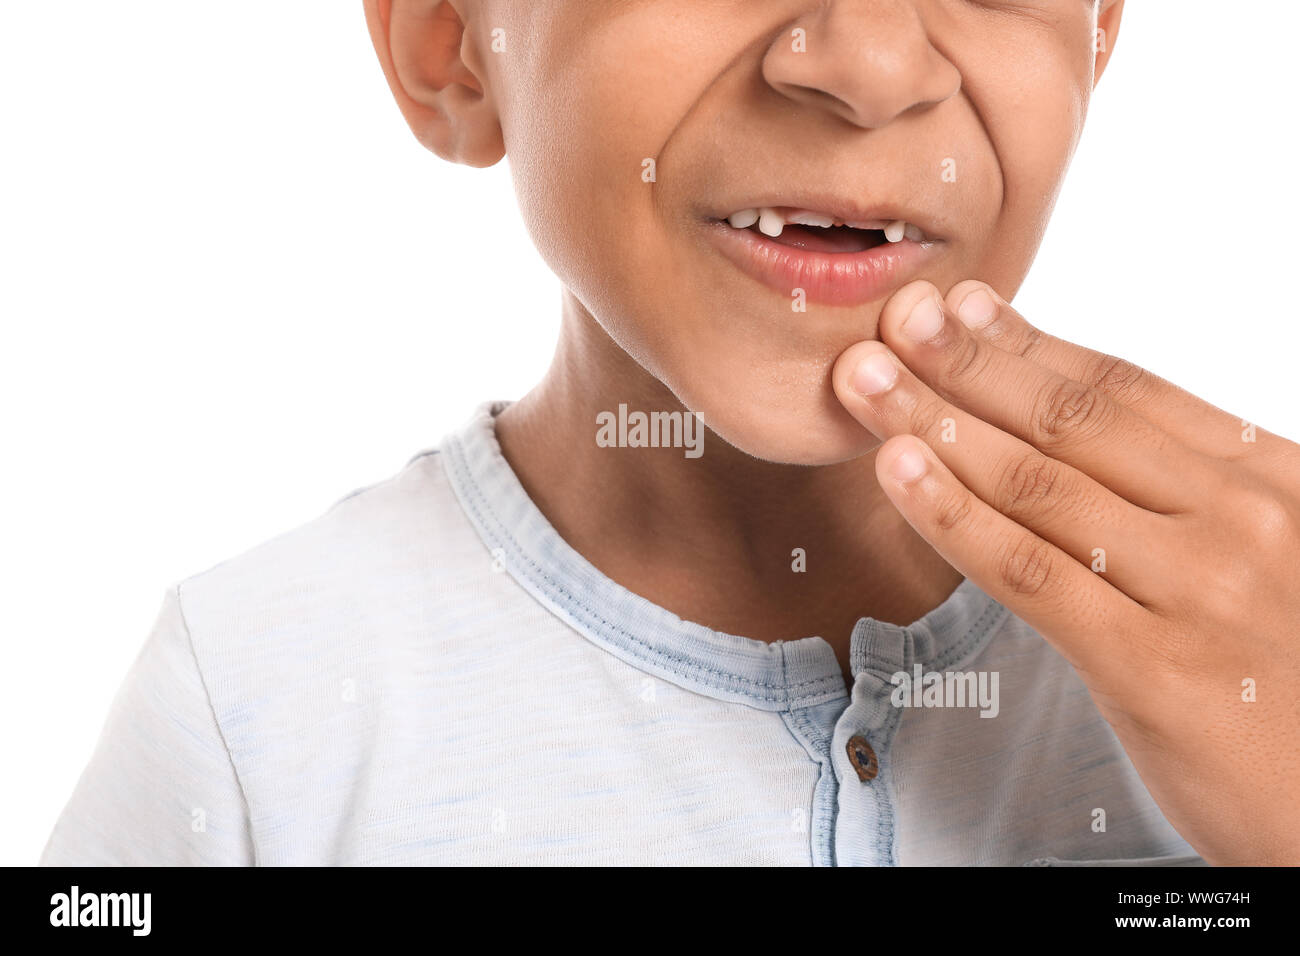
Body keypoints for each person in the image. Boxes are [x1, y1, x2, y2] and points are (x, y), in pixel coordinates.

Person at [41, 0, 1300, 866]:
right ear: (452, 44)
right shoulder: (259, 700)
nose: (866, 64)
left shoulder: (1266, 658)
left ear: (1096, 42)